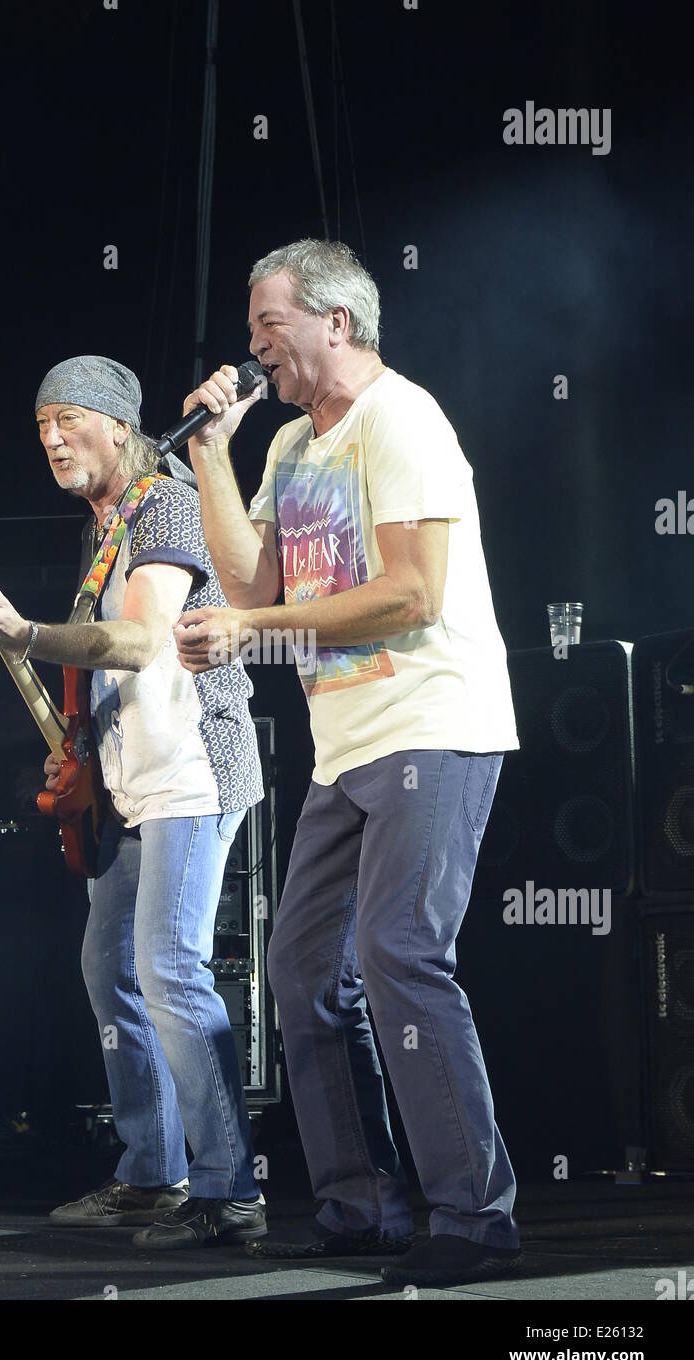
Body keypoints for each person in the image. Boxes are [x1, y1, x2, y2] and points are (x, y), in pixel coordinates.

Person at [173, 240, 522, 1288]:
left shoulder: (401, 419)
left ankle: (474, 1211)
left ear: (337, 321)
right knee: (300, 969)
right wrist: (209, 455)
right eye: (249, 331)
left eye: (266, 324)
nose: (252, 348)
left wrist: (259, 627)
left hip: (433, 723)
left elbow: (413, 591)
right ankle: (360, 1204)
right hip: (347, 744)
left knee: (400, 951)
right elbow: (249, 586)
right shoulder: (287, 447)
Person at [0, 355, 266, 1250]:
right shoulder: (106, 529)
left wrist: (27, 631)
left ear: (120, 426)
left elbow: (137, 643)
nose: (53, 439)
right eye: (41, 426)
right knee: (110, 969)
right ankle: (152, 1172)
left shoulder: (168, 505)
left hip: (193, 774)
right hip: (135, 788)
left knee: (170, 968)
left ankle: (228, 1190)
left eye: (70, 420)